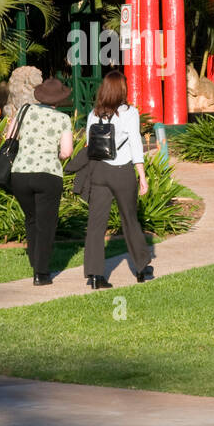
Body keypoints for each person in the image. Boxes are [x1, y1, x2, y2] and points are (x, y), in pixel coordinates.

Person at [81, 70, 153, 289]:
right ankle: (141, 268)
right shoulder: (130, 113)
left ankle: (94, 275)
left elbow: (88, 143)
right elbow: (135, 144)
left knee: (95, 225)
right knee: (129, 219)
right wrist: (142, 175)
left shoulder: (94, 113)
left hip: (99, 172)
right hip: (122, 171)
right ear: (122, 89)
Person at [5, 77, 74, 286]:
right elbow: (66, 151)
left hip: (20, 173)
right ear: (59, 100)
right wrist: (56, 155)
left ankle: (34, 259)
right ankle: (41, 272)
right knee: (46, 223)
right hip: (48, 174)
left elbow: (9, 136)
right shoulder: (62, 119)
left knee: (32, 218)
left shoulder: (25, 111)